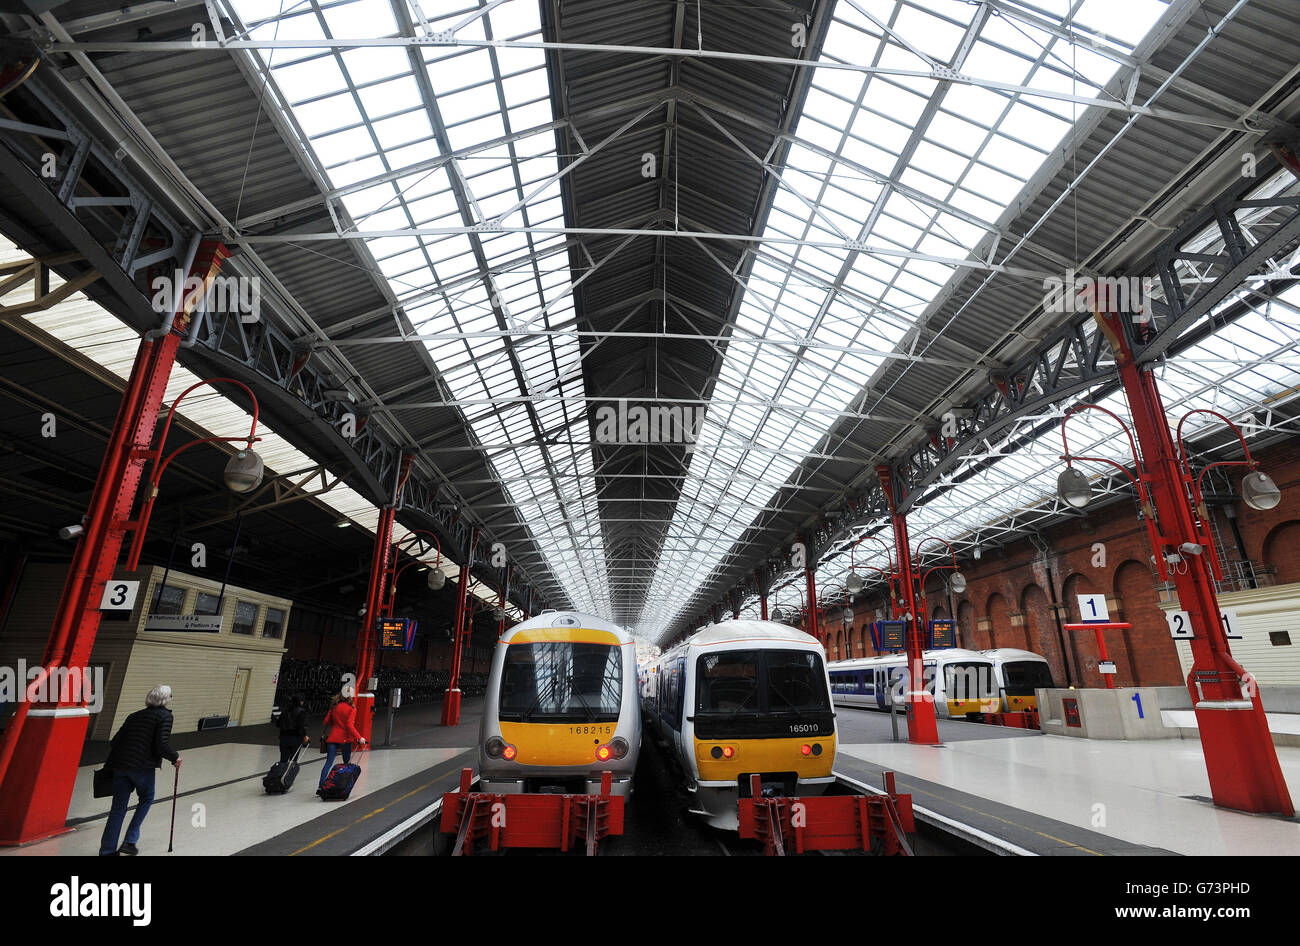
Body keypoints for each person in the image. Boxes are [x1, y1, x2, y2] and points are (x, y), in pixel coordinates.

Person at [99, 685, 181, 856]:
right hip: (143, 768)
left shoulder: (134, 716)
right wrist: (175, 757)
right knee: (146, 798)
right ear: (166, 699)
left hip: (121, 766)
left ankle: (107, 851)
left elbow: (114, 742)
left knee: (118, 808)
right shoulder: (165, 716)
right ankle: (129, 841)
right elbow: (161, 744)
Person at [317, 692, 366, 794]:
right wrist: (359, 737)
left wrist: (335, 723)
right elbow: (349, 725)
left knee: (328, 763)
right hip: (345, 739)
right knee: (346, 764)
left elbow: (326, 721)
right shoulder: (352, 708)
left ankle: (321, 786)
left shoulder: (334, 706)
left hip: (333, 737)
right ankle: (342, 785)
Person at [276, 693, 309, 763]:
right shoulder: (302, 712)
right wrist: (305, 736)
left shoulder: (285, 711)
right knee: (293, 760)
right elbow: (301, 726)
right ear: (300, 701)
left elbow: (278, 724)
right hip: (296, 738)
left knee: (283, 760)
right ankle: (289, 773)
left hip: (283, 737)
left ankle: (281, 772)